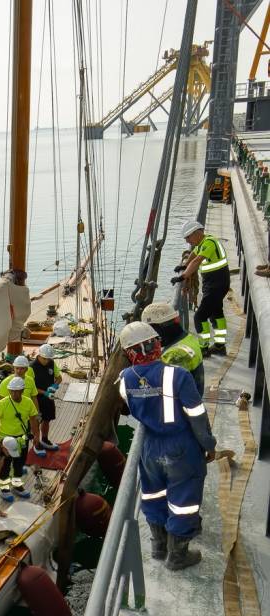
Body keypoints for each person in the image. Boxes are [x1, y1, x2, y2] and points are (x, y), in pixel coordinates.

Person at [117, 320, 215, 571]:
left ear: (130, 353)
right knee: (183, 499)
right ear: (157, 344)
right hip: (180, 446)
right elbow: (196, 415)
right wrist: (208, 444)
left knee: (153, 494)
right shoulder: (178, 375)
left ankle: (158, 547)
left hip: (149, 447)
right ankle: (178, 555)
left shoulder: (125, 380)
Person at [172, 218, 230, 356]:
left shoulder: (209, 243)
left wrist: (183, 276)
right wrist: (185, 265)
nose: (187, 241)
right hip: (215, 283)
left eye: (188, 237)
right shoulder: (204, 242)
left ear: (197, 233)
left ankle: (203, 348)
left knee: (199, 317)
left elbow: (198, 260)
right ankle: (220, 346)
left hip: (216, 285)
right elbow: (194, 253)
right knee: (217, 313)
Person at [0, 376, 45, 495]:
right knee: (5, 465)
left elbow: (33, 420)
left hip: (22, 438)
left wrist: (36, 435)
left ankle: (17, 485)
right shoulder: (2, 404)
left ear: (22, 390)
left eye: (17, 391)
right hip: (5, 439)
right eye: (12, 391)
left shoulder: (28, 402)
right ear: (9, 391)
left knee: (19, 463)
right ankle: (4, 488)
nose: (14, 393)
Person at [142, 298, 205, 397]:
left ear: (162, 327)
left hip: (178, 409)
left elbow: (160, 392)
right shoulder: (188, 338)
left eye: (151, 331)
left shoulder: (174, 355)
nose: (151, 337)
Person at [31, 344, 63, 451]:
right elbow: (31, 388)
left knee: (47, 419)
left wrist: (55, 386)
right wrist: (44, 392)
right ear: (39, 355)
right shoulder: (31, 368)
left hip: (48, 398)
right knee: (36, 421)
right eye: (44, 358)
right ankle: (36, 444)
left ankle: (44, 439)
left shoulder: (51, 363)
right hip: (36, 399)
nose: (46, 361)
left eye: (48, 359)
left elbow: (59, 378)